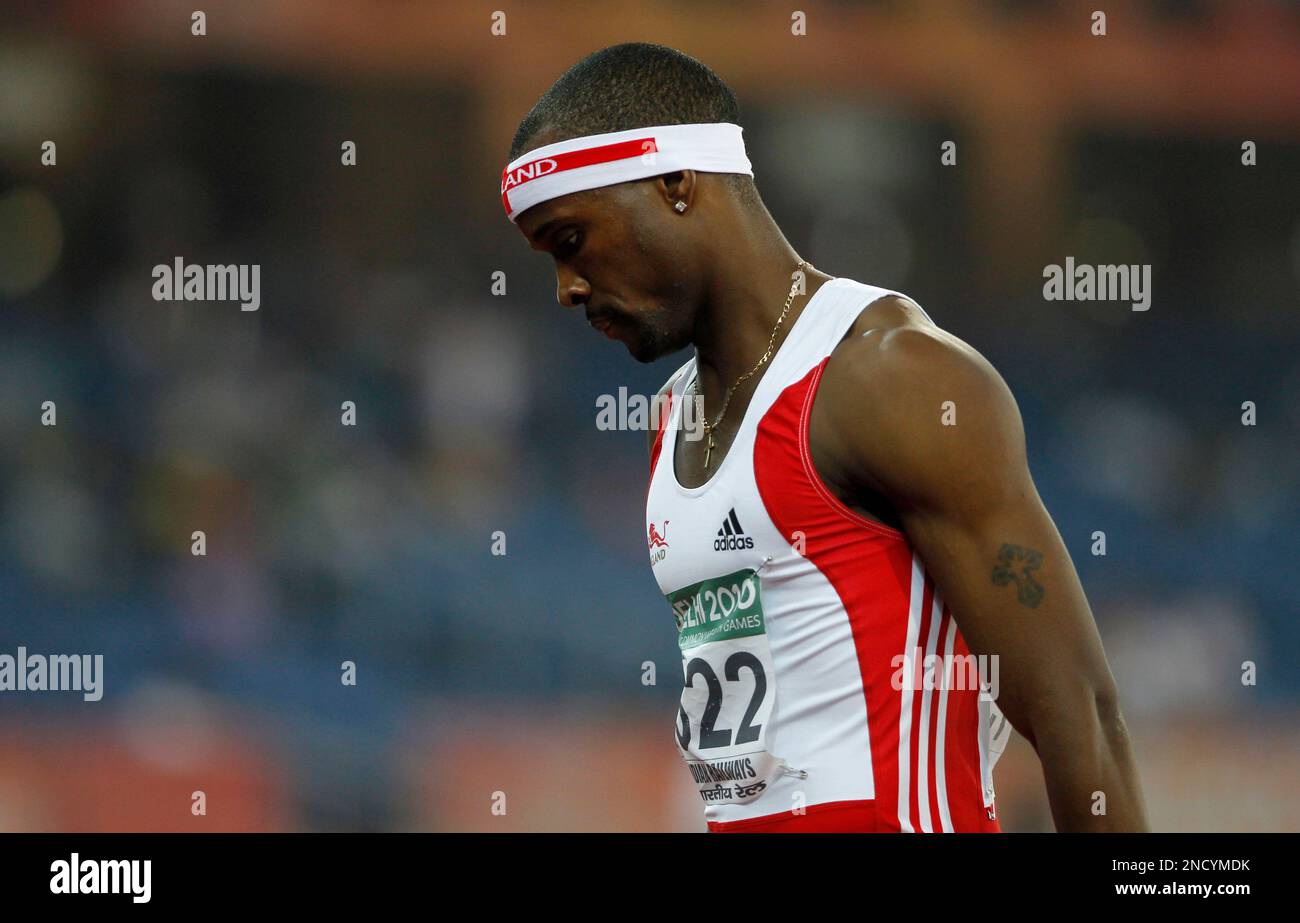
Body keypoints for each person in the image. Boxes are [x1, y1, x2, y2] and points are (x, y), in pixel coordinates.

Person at [502, 42, 1147, 832]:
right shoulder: (672, 420)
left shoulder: (890, 377)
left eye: (570, 242)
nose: (566, 288)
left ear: (675, 183)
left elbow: (1079, 715)